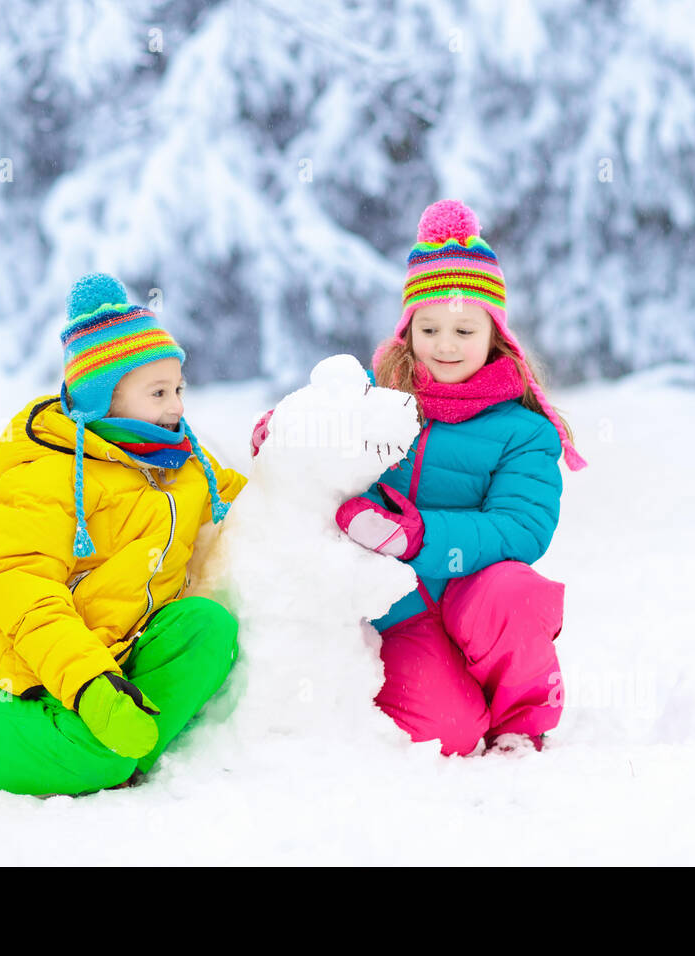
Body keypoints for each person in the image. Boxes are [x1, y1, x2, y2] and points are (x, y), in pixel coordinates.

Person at [252, 199, 587, 756]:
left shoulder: (523, 430)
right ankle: (459, 700)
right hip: (398, 605)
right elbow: (322, 424)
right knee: (446, 734)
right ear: (408, 330)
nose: (446, 345)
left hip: (474, 590)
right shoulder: (378, 399)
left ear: (495, 334)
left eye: (463, 329)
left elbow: (522, 527)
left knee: (518, 595)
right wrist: (286, 432)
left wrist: (419, 537)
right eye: (429, 328)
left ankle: (519, 723)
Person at [0, 273, 246, 796]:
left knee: (208, 626)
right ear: (103, 398)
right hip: (63, 664)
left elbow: (245, 504)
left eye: (180, 389)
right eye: (159, 392)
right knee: (106, 760)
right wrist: (91, 685)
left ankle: (115, 748)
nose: (178, 408)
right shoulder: (45, 471)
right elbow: (20, 585)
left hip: (137, 644)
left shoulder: (179, 457)